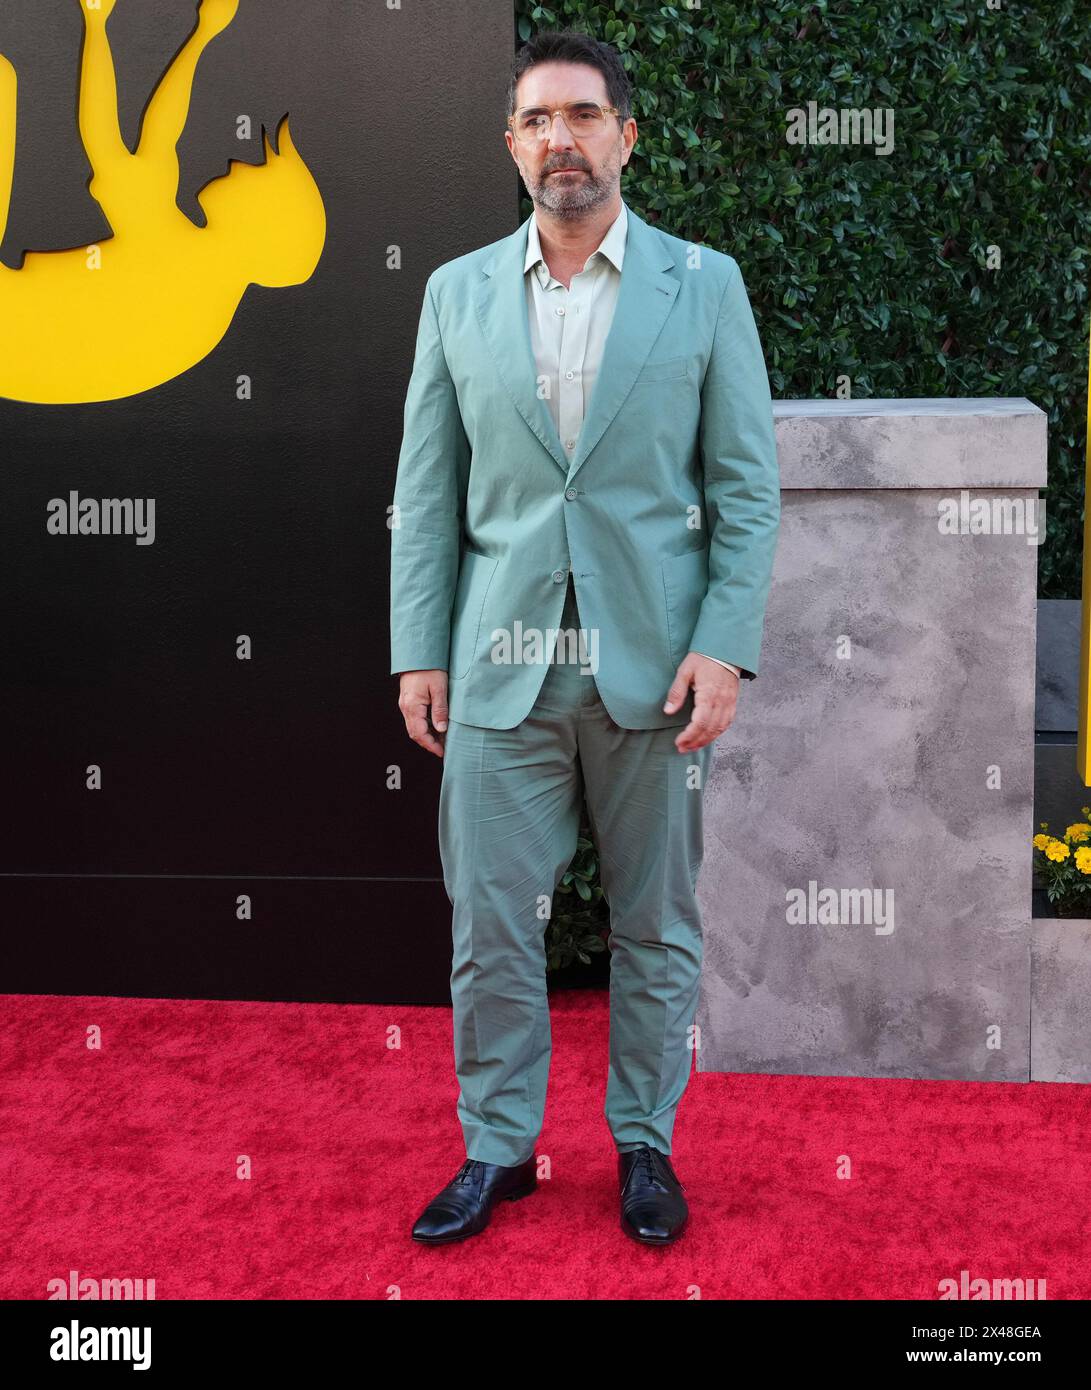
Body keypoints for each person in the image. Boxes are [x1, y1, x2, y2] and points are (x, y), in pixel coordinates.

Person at [389, 28, 780, 1246]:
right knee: (490, 929)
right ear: (511, 144)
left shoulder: (703, 286)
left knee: (656, 925)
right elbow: (426, 489)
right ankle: (497, 1147)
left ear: (626, 134)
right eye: (536, 119)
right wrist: (419, 647)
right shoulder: (455, 292)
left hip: (653, 674)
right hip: (499, 671)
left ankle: (644, 1144)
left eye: (582, 115)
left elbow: (747, 487)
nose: (561, 139)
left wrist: (723, 645)